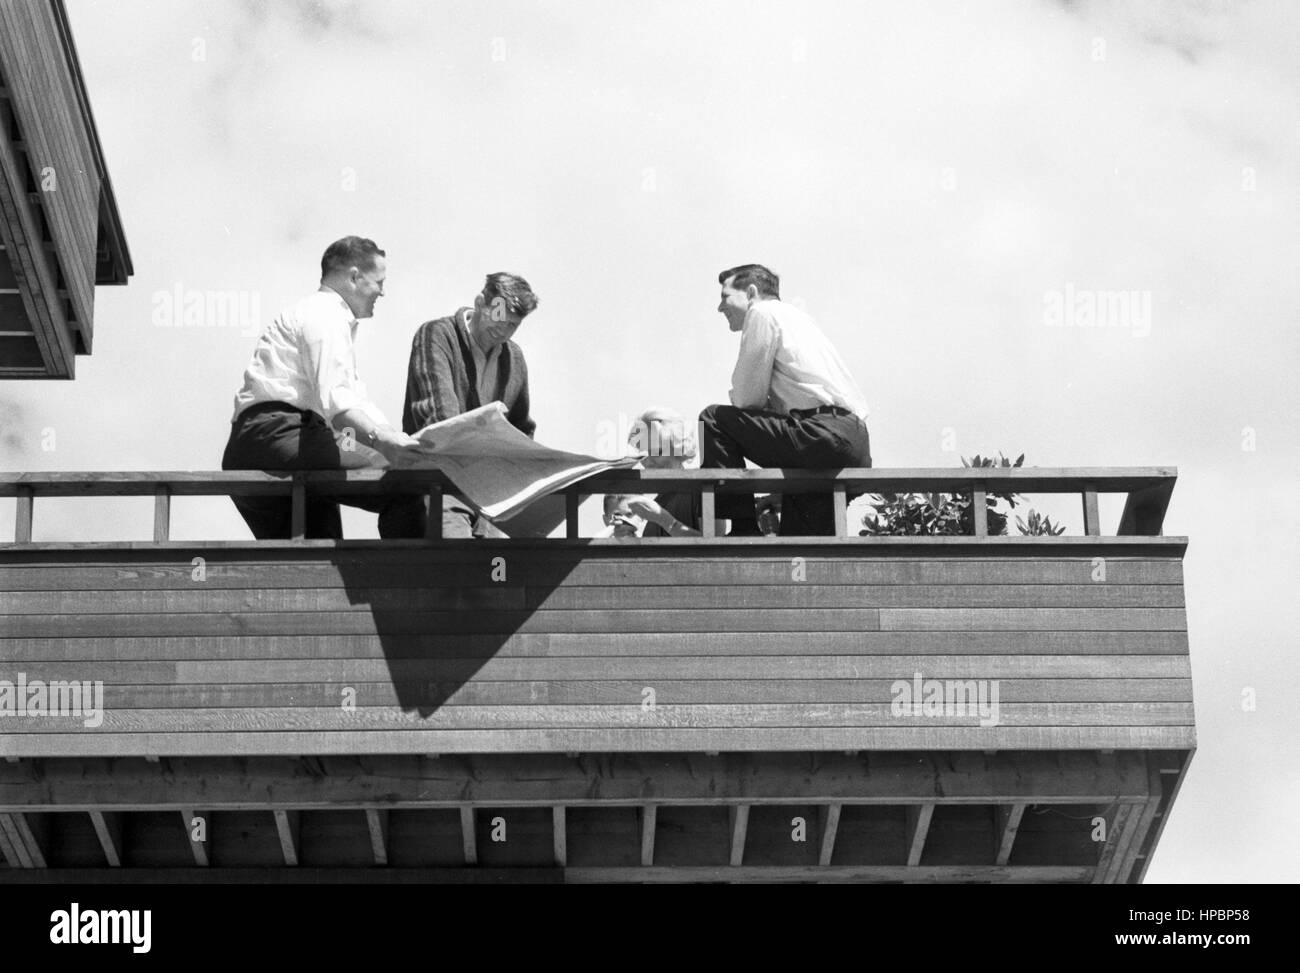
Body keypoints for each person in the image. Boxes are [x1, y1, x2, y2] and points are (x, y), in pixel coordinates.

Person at [221, 236, 428, 539]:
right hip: (283, 434)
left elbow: (355, 399)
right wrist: (384, 442)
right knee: (405, 480)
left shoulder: (317, 315)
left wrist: (394, 438)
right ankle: (404, 585)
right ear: (355, 277)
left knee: (317, 558)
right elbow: (339, 401)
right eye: (379, 281)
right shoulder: (326, 314)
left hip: (262, 444)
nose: (382, 292)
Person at [698, 263, 871, 536]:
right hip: (853, 442)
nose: (720, 308)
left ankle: (743, 528)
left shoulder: (762, 313)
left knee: (713, 419)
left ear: (751, 292)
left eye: (725, 297)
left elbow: (745, 399)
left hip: (822, 433)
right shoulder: (798, 318)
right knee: (803, 541)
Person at [401, 273, 539, 538]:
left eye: (512, 325)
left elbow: (521, 430)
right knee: (460, 563)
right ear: (480, 303)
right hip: (440, 485)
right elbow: (439, 421)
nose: (503, 330)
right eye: (498, 317)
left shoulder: (515, 358)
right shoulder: (436, 335)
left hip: (490, 496)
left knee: (510, 567)